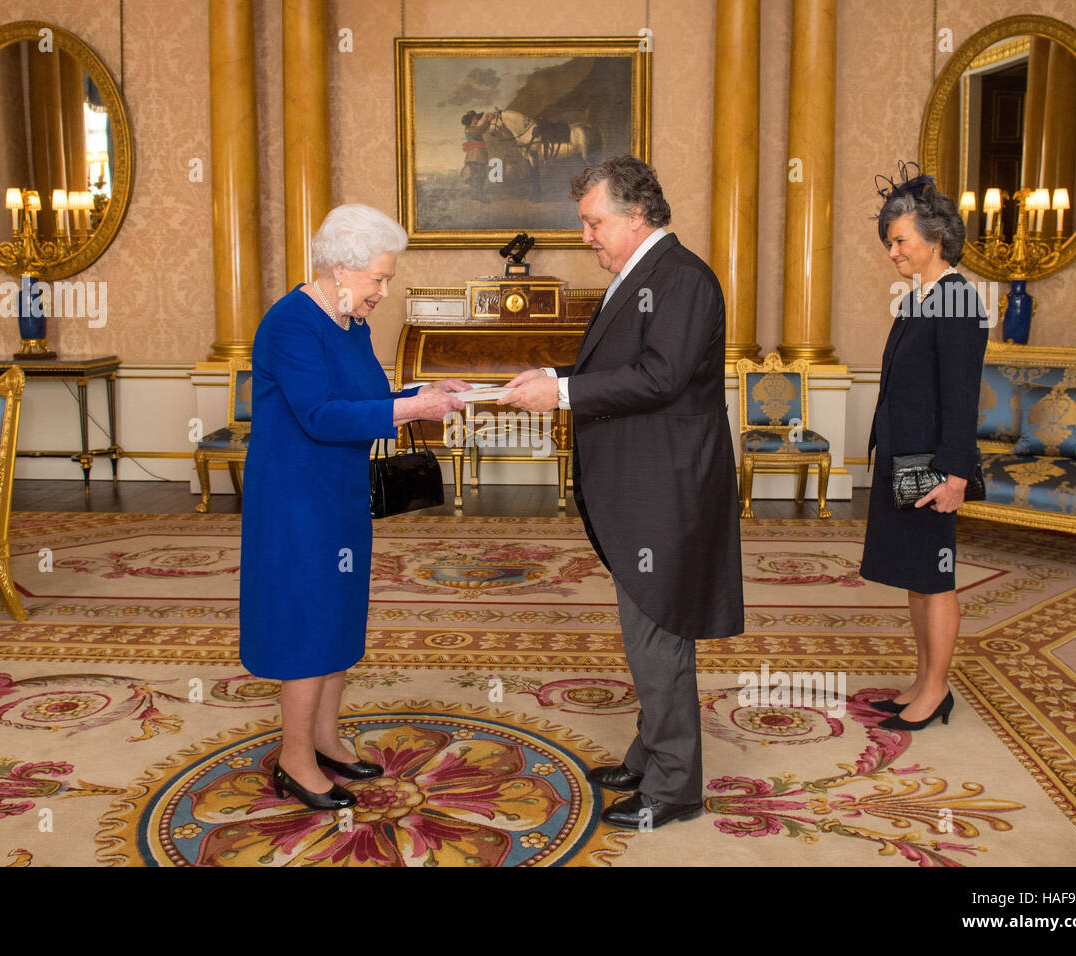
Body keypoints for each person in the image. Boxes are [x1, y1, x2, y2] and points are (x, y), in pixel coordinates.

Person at [504, 156, 744, 830]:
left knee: (658, 635)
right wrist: (551, 376)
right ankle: (648, 756)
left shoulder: (683, 280)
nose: (586, 236)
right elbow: (616, 367)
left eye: (594, 222)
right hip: (642, 488)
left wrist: (565, 391)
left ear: (637, 215)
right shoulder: (640, 276)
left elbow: (661, 377)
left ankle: (674, 787)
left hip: (665, 492)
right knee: (648, 634)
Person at [239, 204, 466, 810]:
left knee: (339, 611)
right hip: (295, 496)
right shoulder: (291, 324)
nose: (383, 293)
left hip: (341, 489)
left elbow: (367, 399)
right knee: (306, 619)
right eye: (378, 280)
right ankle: (293, 758)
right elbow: (320, 415)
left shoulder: (349, 322)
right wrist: (410, 411)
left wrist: (423, 394)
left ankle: (324, 739)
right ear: (342, 269)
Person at [862, 165, 988, 731]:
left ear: (934, 239)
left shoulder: (958, 302)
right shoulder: (925, 297)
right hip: (905, 461)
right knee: (918, 574)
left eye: (900, 241)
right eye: (889, 242)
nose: (892, 252)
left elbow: (961, 398)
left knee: (935, 578)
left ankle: (936, 690)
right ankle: (923, 680)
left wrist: (955, 474)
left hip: (933, 468)